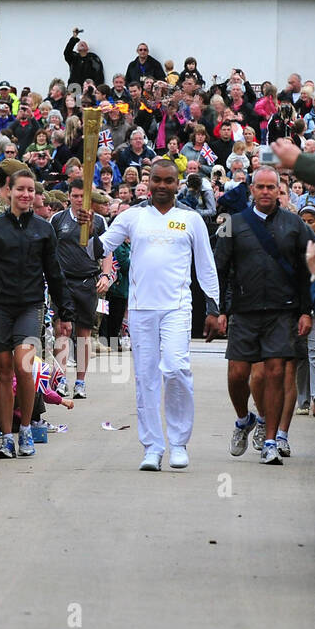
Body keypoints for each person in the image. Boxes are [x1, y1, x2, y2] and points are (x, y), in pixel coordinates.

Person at [82, 159, 220, 471]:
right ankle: (153, 448)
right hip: (141, 309)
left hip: (177, 308)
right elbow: (98, 249)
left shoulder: (190, 219)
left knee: (176, 369)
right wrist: (88, 228)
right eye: (156, 179)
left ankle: (179, 443)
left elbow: (206, 265)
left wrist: (213, 307)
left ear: (177, 183)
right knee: (146, 379)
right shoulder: (132, 216)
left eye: (168, 181)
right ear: (149, 181)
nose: (161, 186)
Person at [0, 168, 73, 459]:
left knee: (24, 365)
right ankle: (6, 438)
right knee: (3, 370)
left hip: (30, 306)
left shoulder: (44, 229)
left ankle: (26, 428)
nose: (26, 195)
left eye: (30, 190)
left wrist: (65, 313)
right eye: (20, 189)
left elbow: (55, 273)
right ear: (9, 191)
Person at [214, 165, 312, 465]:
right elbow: (219, 269)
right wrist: (219, 310)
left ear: (279, 190)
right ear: (251, 189)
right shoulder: (231, 223)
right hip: (244, 311)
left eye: (272, 187)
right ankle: (243, 419)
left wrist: (306, 311)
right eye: (261, 187)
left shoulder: (296, 225)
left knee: (275, 373)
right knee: (237, 374)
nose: (266, 192)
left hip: (282, 312)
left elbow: (310, 269)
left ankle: (270, 442)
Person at [50, 177, 111, 399]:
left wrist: (106, 275)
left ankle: (80, 382)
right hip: (63, 282)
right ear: (68, 197)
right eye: (74, 196)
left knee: (83, 333)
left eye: (81, 196)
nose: (78, 200)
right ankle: (60, 379)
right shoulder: (58, 219)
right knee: (62, 329)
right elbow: (49, 249)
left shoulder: (99, 221)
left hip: (87, 281)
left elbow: (107, 251)